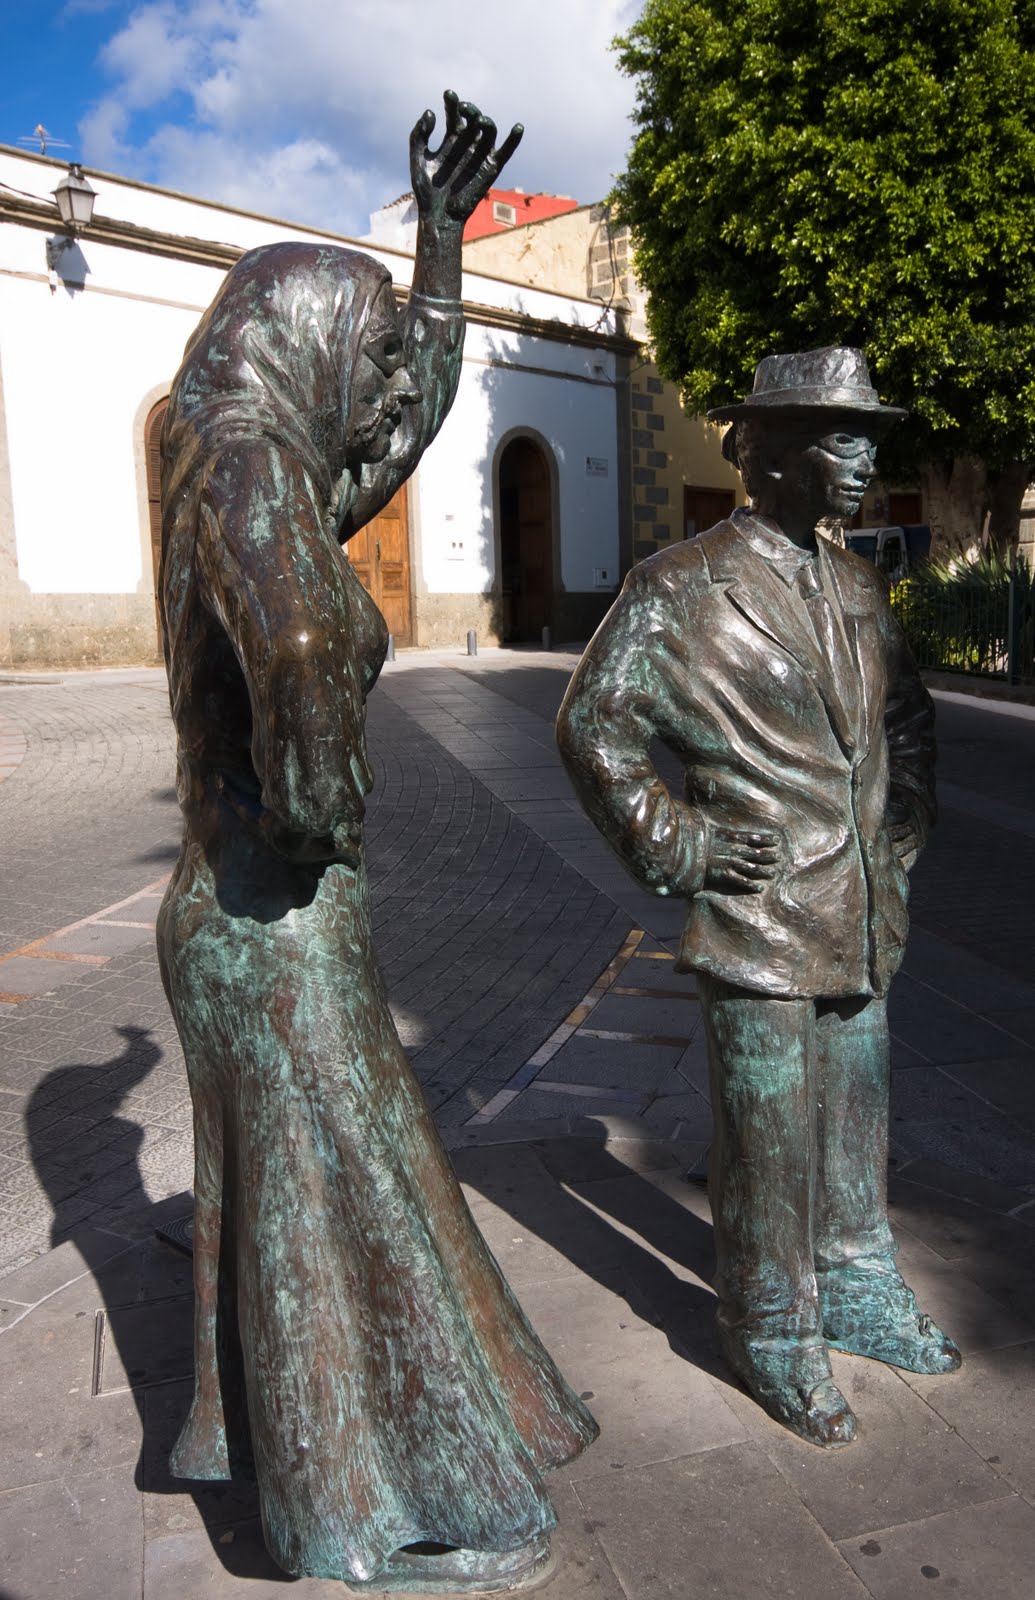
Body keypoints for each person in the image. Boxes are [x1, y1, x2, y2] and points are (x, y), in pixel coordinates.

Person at [157, 94, 596, 1590]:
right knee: (341, 1202)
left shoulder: (238, 448)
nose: (372, 402)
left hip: (248, 917)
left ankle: (407, 1436)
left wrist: (437, 256)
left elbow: (394, 437)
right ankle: (367, 1514)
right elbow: (287, 630)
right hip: (269, 912)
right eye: (358, 359)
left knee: (356, 1176)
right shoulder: (247, 469)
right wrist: (319, 797)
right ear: (303, 346)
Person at [556, 347, 960, 1449]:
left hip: (865, 908)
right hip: (759, 917)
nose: (865, 456)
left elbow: (908, 722)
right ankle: (770, 1325)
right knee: (771, 1140)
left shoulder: (861, 585)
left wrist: (902, 828)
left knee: (854, 1126)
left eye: (869, 435)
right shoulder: (679, 587)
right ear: (768, 454)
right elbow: (596, 727)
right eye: (842, 436)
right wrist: (679, 844)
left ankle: (861, 1286)